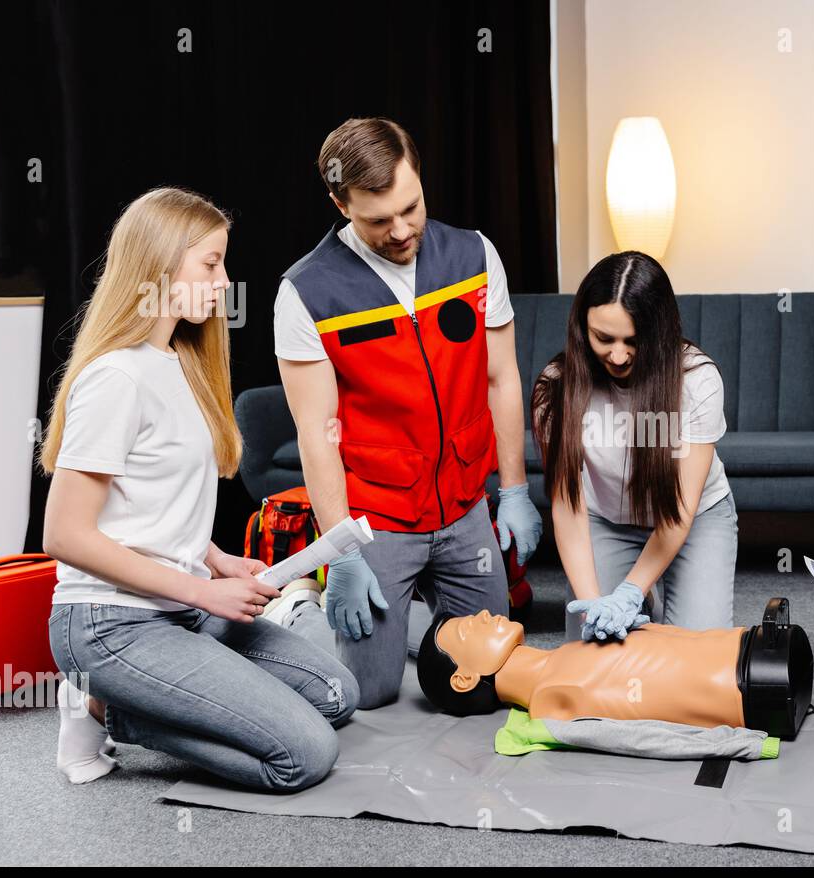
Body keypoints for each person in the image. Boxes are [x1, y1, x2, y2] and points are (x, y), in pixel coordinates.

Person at [41, 187, 359, 789]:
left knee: (337, 694)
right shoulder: (115, 378)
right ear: (159, 263)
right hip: (110, 623)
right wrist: (203, 590)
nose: (223, 279)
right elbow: (65, 534)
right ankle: (104, 708)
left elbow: (152, 508)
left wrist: (216, 562)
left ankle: (153, 695)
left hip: (181, 608)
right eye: (211, 263)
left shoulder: (178, 363)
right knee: (305, 757)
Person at [275, 117, 542, 708]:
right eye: (377, 220)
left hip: (464, 505)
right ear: (339, 203)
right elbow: (317, 437)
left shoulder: (474, 255)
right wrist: (340, 549)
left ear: (419, 177)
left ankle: (404, 628)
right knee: (366, 692)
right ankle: (296, 609)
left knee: (489, 671)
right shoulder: (305, 292)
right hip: (378, 515)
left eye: (411, 207)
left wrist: (515, 490)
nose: (401, 230)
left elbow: (501, 378)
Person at [531, 251, 737, 643]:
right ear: (583, 327)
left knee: (692, 659)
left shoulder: (698, 380)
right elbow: (568, 506)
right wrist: (593, 606)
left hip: (693, 522)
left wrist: (630, 591)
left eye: (633, 341)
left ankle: (645, 592)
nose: (619, 355)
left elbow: (678, 511)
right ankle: (646, 601)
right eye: (604, 339)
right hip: (605, 520)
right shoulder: (555, 387)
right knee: (596, 651)